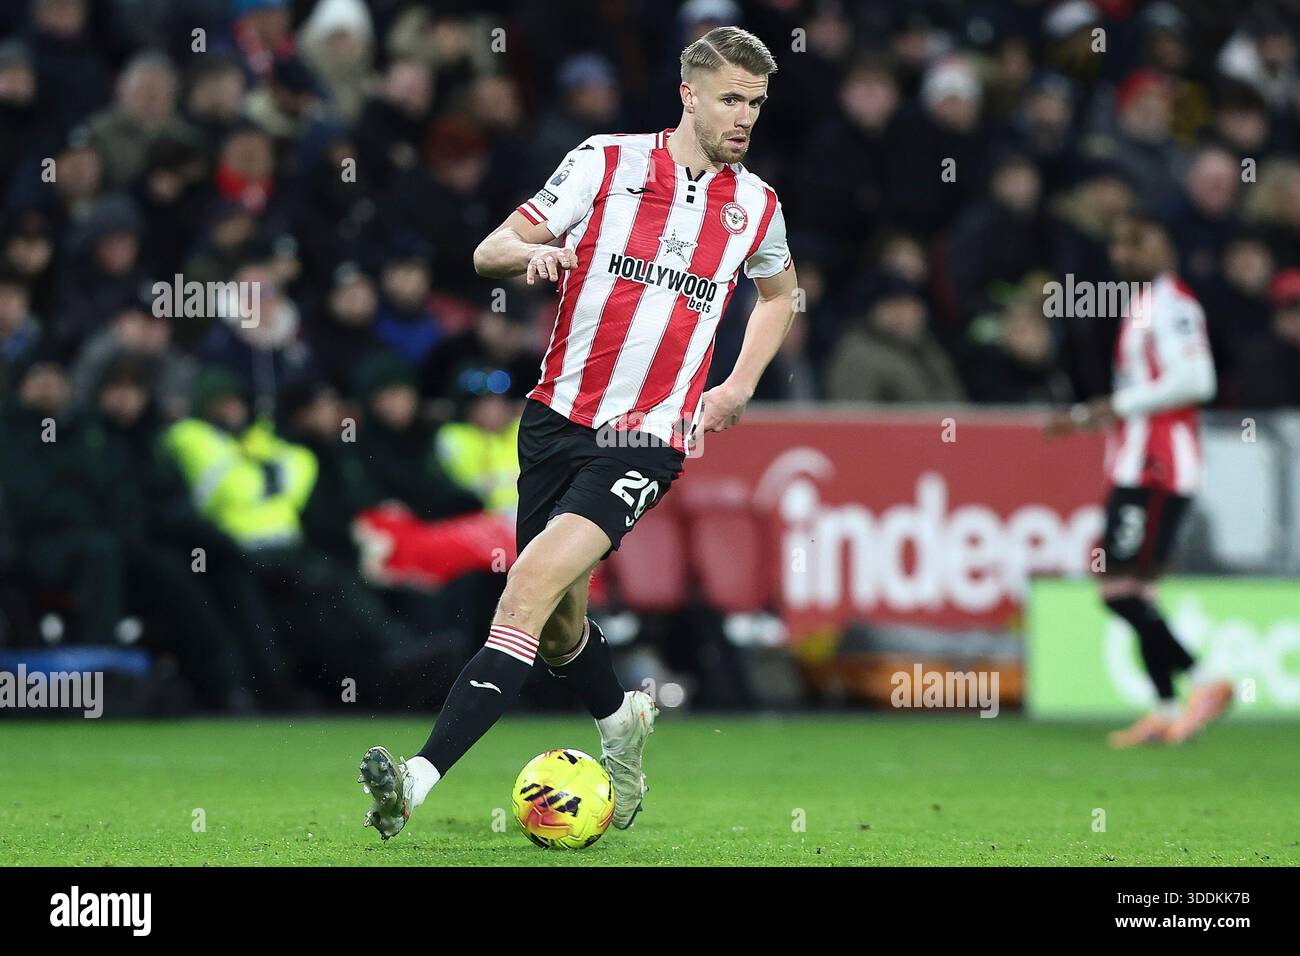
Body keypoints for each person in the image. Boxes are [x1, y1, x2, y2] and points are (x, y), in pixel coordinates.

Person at [358, 26, 797, 840]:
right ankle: (620, 723)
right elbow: (492, 247)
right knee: (559, 626)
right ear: (689, 95)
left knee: (524, 588)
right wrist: (533, 255)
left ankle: (413, 783)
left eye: (756, 103)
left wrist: (735, 386)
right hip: (554, 420)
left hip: (646, 440)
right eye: (731, 99)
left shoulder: (757, 207)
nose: (744, 117)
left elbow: (778, 297)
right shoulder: (605, 162)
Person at [1045, 209, 1233, 748]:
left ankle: (1204, 681)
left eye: (1139, 243)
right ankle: (1165, 706)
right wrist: (1086, 417)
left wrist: (1111, 405)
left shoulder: (1173, 305)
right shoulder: (1144, 307)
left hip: (1158, 467)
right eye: (1120, 246)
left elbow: (1198, 379)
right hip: (1137, 462)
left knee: (1120, 592)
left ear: (1164, 246)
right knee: (1137, 592)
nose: (1126, 255)